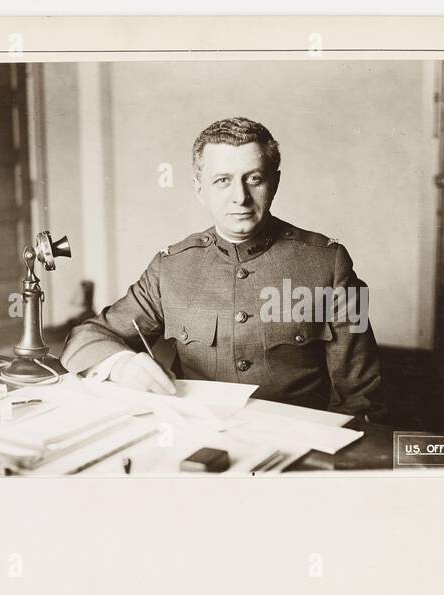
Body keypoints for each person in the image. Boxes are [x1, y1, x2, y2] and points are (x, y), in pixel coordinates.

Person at [60, 116, 386, 422]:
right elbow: (86, 337)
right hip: (198, 436)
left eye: (254, 179)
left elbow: (362, 398)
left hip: (296, 441)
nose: (240, 197)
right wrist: (121, 364)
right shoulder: (170, 268)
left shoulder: (329, 263)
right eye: (222, 181)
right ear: (200, 190)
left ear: (274, 183)